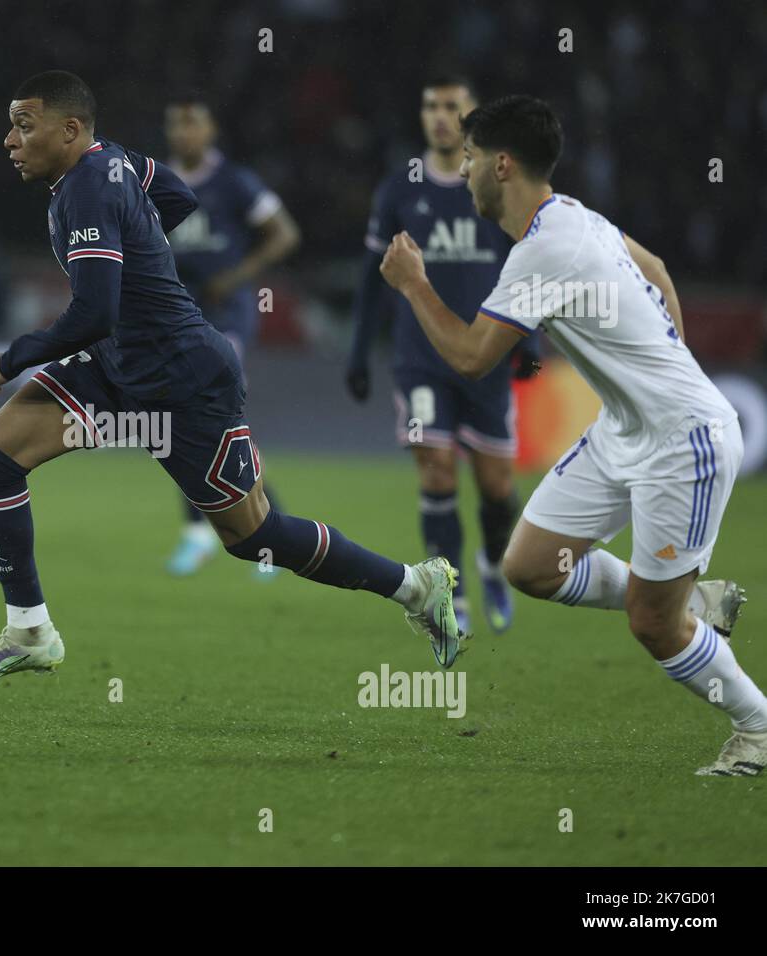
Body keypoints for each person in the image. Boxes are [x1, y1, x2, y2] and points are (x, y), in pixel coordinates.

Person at [0, 71, 462, 692]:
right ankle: (29, 632)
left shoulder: (86, 189)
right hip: (116, 368)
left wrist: (13, 358)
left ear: (71, 130)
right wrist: (142, 246)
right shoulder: (117, 162)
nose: (9, 140)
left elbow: (95, 313)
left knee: (255, 536)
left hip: (182, 381)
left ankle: (415, 585)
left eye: (24, 126)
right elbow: (182, 196)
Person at [378, 95, 755, 775]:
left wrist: (413, 285)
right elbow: (660, 271)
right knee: (531, 566)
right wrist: (655, 371)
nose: (460, 172)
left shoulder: (546, 248)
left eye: (467, 160)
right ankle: (688, 595)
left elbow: (469, 357)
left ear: (501, 164)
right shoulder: (575, 216)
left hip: (683, 440)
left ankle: (756, 728)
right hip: (625, 430)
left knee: (652, 623)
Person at [348, 76, 537, 634]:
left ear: (471, 112)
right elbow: (370, 278)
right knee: (434, 469)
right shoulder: (400, 188)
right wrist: (359, 352)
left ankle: (493, 567)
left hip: (487, 354)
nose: (439, 115)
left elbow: (525, 271)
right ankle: (447, 589)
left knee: (497, 484)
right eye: (430, 104)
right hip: (420, 359)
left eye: (451, 105)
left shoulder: (494, 184)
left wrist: (534, 342)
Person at [161, 95, 301, 577]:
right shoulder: (157, 181)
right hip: (176, 318)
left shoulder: (234, 182)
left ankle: (258, 529)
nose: (184, 133)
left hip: (226, 319)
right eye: (177, 124)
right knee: (185, 424)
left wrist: (237, 276)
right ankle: (215, 532)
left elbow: (284, 234)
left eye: (193, 123)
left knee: (208, 418)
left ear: (211, 129)